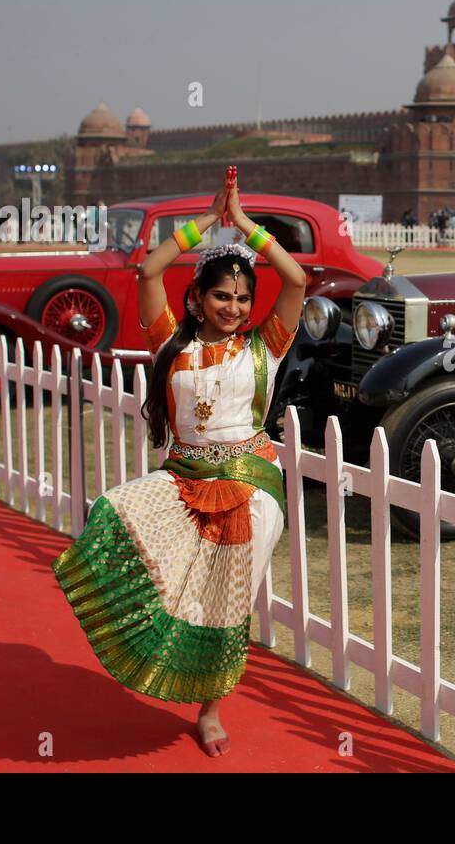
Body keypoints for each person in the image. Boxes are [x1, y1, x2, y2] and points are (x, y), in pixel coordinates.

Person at [51, 167, 306, 758]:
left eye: (243, 298)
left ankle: (211, 709)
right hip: (185, 477)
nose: (234, 307)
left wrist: (245, 228)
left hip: (249, 486)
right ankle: (148, 647)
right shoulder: (171, 340)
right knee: (114, 512)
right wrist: (204, 223)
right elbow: (147, 269)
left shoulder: (263, 345)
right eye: (222, 295)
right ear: (197, 298)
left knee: (224, 603)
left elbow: (295, 278)